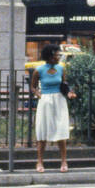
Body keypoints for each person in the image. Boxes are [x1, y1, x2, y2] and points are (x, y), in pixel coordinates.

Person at [31, 43, 75, 172]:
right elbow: (33, 86)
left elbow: (64, 85)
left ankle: (64, 162)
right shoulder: (38, 70)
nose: (58, 57)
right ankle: (39, 163)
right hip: (46, 101)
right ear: (50, 56)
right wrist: (39, 95)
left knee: (61, 129)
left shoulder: (61, 69)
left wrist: (69, 93)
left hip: (59, 100)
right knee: (43, 131)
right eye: (56, 55)